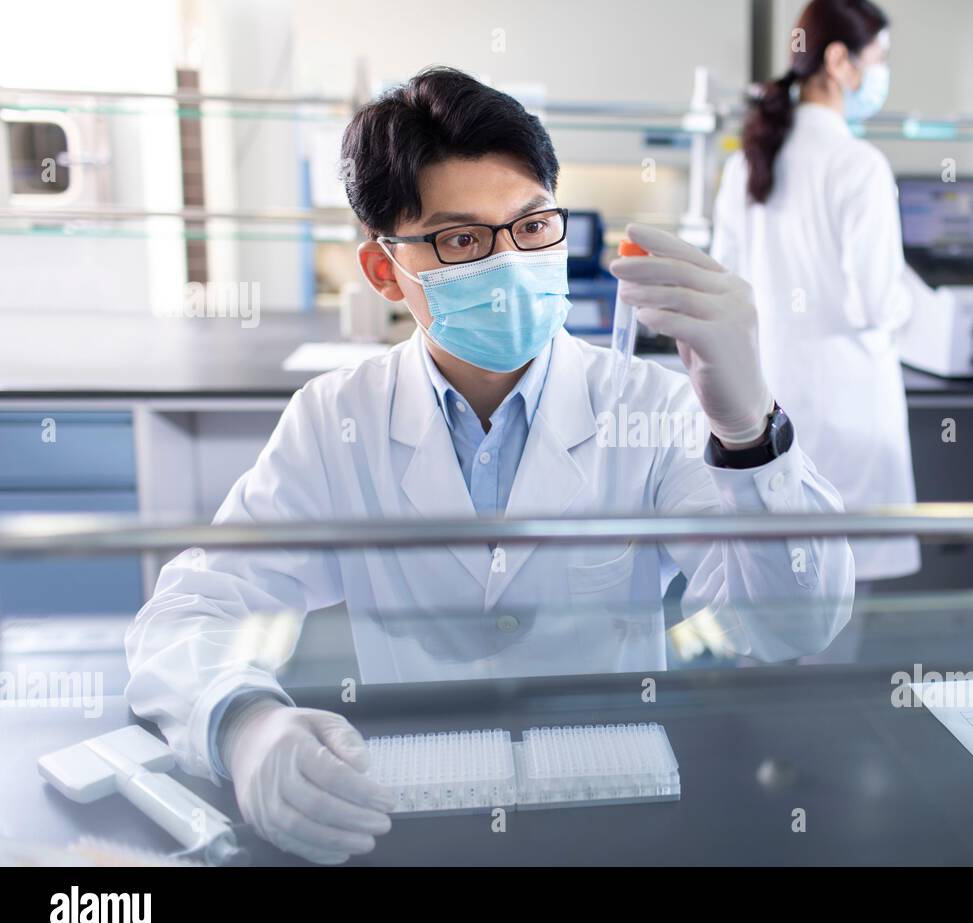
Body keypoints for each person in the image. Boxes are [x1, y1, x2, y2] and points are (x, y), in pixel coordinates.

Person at [124, 68, 855, 864]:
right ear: (384, 270)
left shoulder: (651, 407)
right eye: (462, 239)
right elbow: (192, 608)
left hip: (614, 809)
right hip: (414, 811)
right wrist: (243, 723)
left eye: (532, 225)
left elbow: (789, 627)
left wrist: (749, 429)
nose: (510, 260)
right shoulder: (336, 420)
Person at [711, 0, 920, 588]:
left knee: (778, 589)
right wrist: (914, 306)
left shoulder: (750, 162)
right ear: (838, 60)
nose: (879, 75)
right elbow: (878, 304)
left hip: (773, 407)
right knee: (840, 595)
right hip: (848, 408)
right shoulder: (859, 165)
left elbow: (727, 282)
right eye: (877, 60)